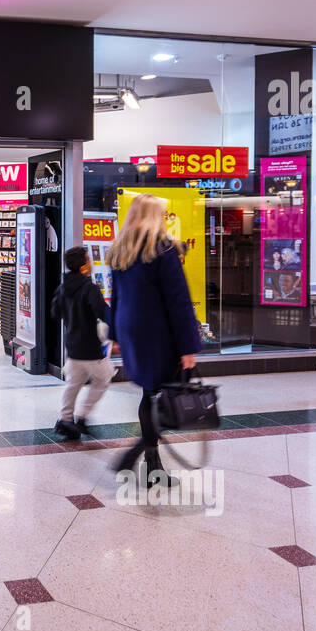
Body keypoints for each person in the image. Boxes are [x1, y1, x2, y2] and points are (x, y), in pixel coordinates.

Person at [106, 194, 202, 487]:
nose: (165, 218)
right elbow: (179, 302)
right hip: (158, 332)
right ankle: (137, 455)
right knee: (159, 394)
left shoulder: (121, 250)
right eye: (162, 214)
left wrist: (115, 334)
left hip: (132, 329)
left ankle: (152, 465)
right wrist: (188, 347)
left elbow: (116, 297)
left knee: (150, 393)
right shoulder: (164, 249)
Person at [50, 245, 113, 440]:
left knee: (73, 384)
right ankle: (82, 417)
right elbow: (103, 313)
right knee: (103, 379)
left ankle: (66, 418)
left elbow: (55, 313)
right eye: (89, 259)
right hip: (90, 346)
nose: (92, 262)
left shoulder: (63, 286)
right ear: (84, 265)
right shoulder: (89, 288)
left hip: (72, 344)